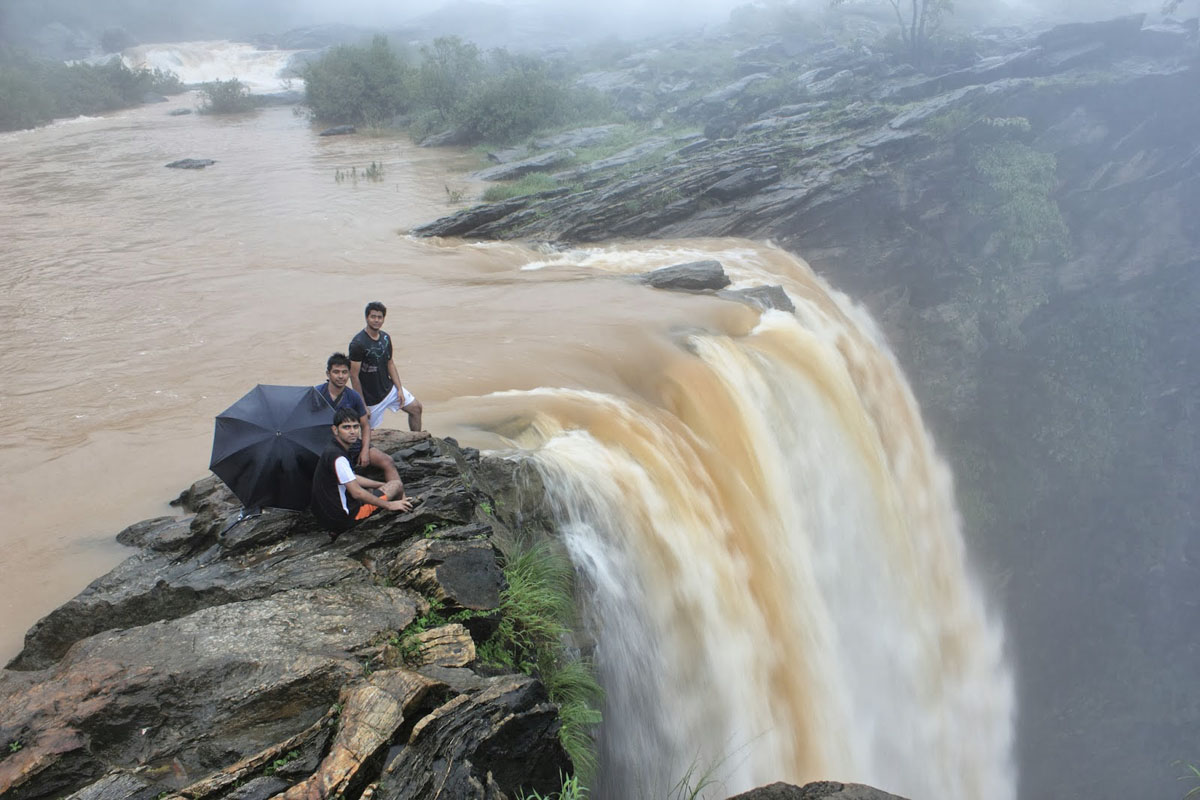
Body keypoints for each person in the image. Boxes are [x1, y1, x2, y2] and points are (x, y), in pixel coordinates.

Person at [310, 407, 414, 540]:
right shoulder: (339, 457)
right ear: (335, 430)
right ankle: (405, 512)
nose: (352, 432)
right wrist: (390, 504)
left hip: (327, 517)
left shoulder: (331, 449)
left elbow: (352, 478)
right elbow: (356, 492)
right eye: (346, 427)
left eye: (355, 427)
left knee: (375, 487)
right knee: (397, 485)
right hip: (345, 518)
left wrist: (380, 485)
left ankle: (398, 505)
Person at [316, 352, 400, 482]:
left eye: (344, 372)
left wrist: (365, 451)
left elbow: (365, 425)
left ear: (349, 374)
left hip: (351, 443)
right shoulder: (316, 394)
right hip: (326, 446)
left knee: (387, 461)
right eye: (336, 372)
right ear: (328, 374)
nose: (340, 376)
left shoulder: (353, 396)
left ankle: (402, 499)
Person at [349, 301, 423, 432]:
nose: (376, 320)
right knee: (368, 432)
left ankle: (418, 440)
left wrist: (399, 389)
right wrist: (362, 404)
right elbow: (354, 376)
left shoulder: (385, 338)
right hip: (371, 399)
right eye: (373, 317)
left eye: (379, 317)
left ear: (383, 319)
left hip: (389, 390)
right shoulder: (358, 343)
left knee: (416, 408)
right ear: (367, 318)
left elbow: (390, 363)